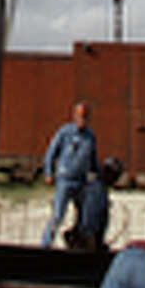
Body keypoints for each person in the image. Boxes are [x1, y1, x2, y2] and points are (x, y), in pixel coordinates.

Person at [41, 101, 99, 248]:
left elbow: (93, 159)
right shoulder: (65, 133)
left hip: (81, 181)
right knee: (58, 215)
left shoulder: (90, 136)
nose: (82, 120)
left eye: (85, 117)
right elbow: (51, 153)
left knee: (83, 216)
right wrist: (48, 172)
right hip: (65, 180)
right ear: (74, 116)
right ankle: (46, 243)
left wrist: (97, 178)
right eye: (79, 117)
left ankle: (76, 243)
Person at [68, 155, 124, 250]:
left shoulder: (94, 187)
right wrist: (91, 243)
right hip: (86, 242)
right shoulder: (97, 191)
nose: (115, 179)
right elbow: (89, 218)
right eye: (114, 175)